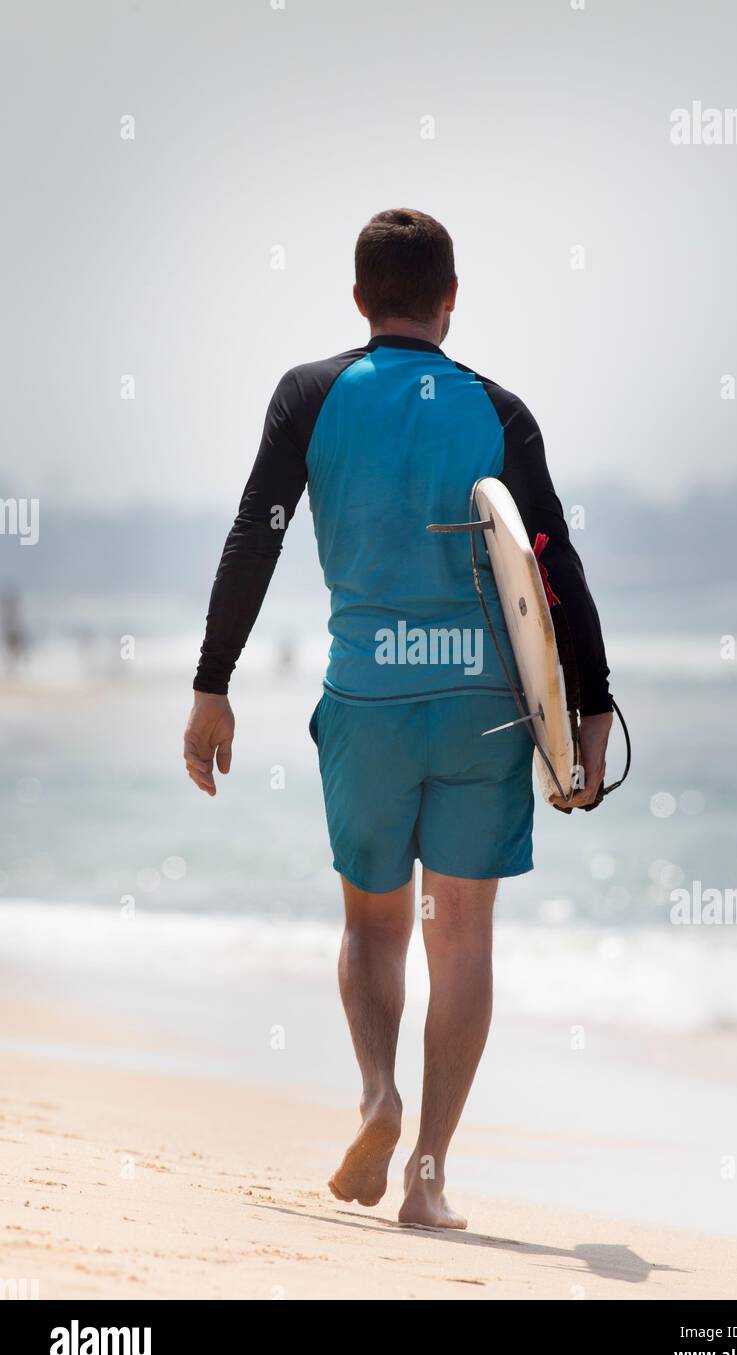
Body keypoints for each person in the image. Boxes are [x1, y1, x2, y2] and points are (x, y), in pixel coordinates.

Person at [184, 209, 613, 1229]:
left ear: (358, 298)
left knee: (373, 923)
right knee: (459, 935)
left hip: (367, 698)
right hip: (482, 712)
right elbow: (550, 563)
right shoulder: (499, 410)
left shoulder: (309, 395)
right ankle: (427, 1177)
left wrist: (213, 681)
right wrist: (593, 705)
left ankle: (377, 1092)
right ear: (451, 299)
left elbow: (258, 535)